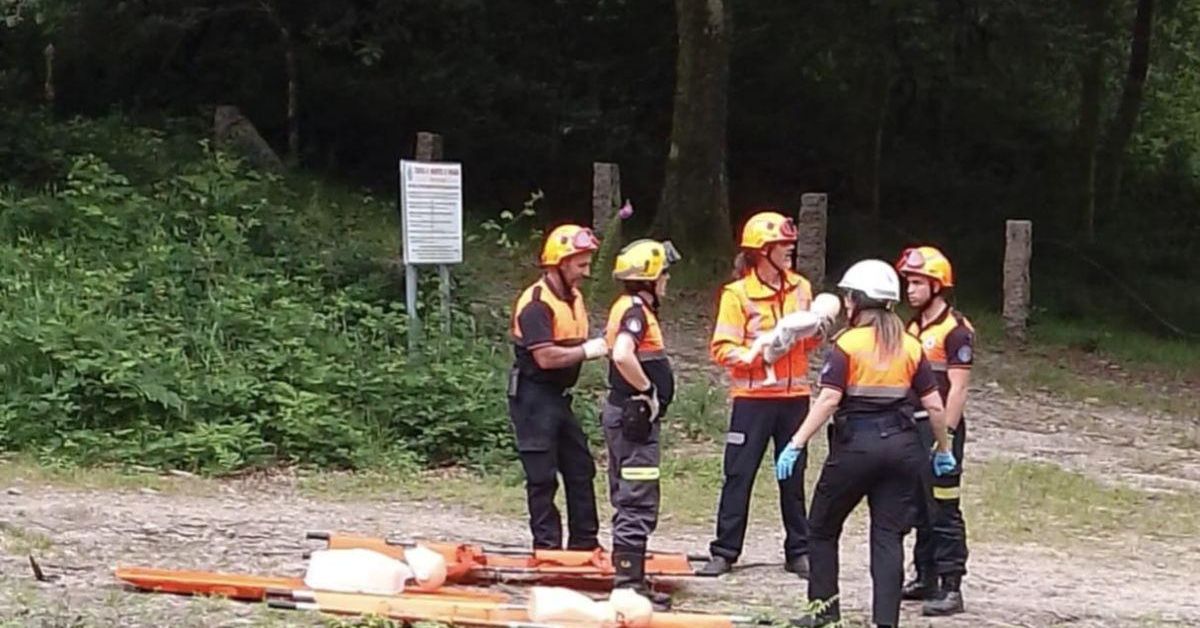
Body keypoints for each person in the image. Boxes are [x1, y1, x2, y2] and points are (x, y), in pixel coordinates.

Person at [775, 259, 957, 628]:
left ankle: (823, 613)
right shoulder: (910, 345)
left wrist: (795, 442)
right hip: (904, 448)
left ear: (858, 300)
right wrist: (944, 450)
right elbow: (934, 404)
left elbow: (828, 400)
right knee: (888, 536)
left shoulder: (848, 344)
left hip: (857, 445)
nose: (844, 303)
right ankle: (885, 623)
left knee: (822, 528)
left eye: (847, 297)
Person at [699, 211, 823, 578]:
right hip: (752, 400)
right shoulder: (736, 294)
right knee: (739, 474)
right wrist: (759, 356)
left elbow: (810, 343)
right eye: (783, 245)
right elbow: (722, 348)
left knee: (793, 476)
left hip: (795, 397)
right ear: (762, 251)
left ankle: (799, 551)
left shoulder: (801, 287)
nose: (790, 250)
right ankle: (724, 551)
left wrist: (816, 330)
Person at [508, 224, 608, 551]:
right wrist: (588, 351)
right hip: (534, 399)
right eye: (580, 264)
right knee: (542, 477)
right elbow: (547, 357)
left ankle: (585, 544)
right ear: (560, 263)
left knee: (580, 468)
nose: (586, 271)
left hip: (560, 398)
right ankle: (547, 548)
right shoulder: (537, 303)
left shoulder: (573, 296)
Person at [602, 238, 681, 607]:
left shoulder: (627, 307)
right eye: (664, 273)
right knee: (636, 498)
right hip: (635, 418)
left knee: (628, 495)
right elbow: (622, 353)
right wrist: (649, 391)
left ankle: (630, 579)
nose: (667, 280)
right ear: (650, 278)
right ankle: (629, 586)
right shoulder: (635, 311)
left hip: (625, 415)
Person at [895, 246, 973, 616]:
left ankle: (951, 585)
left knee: (944, 506)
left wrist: (948, 438)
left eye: (915, 282)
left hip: (940, 430)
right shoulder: (912, 327)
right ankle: (924, 575)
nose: (909, 290)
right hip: (913, 425)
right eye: (907, 282)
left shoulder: (956, 330)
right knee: (918, 504)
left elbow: (958, 388)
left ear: (936, 285)